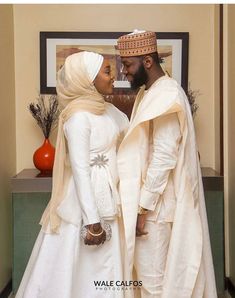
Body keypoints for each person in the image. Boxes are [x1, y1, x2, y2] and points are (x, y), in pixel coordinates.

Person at [16, 51, 129, 298]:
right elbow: (80, 171)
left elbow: (131, 138)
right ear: (88, 79)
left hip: (113, 194)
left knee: (108, 264)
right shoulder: (77, 118)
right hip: (84, 203)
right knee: (76, 266)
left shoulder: (111, 111)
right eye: (107, 71)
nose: (114, 77)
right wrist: (92, 221)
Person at [116, 30, 217, 297]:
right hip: (154, 207)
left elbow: (163, 157)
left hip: (156, 211)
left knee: (154, 285)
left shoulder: (166, 95)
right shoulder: (152, 92)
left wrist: (142, 208)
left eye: (127, 65)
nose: (123, 72)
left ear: (147, 61)